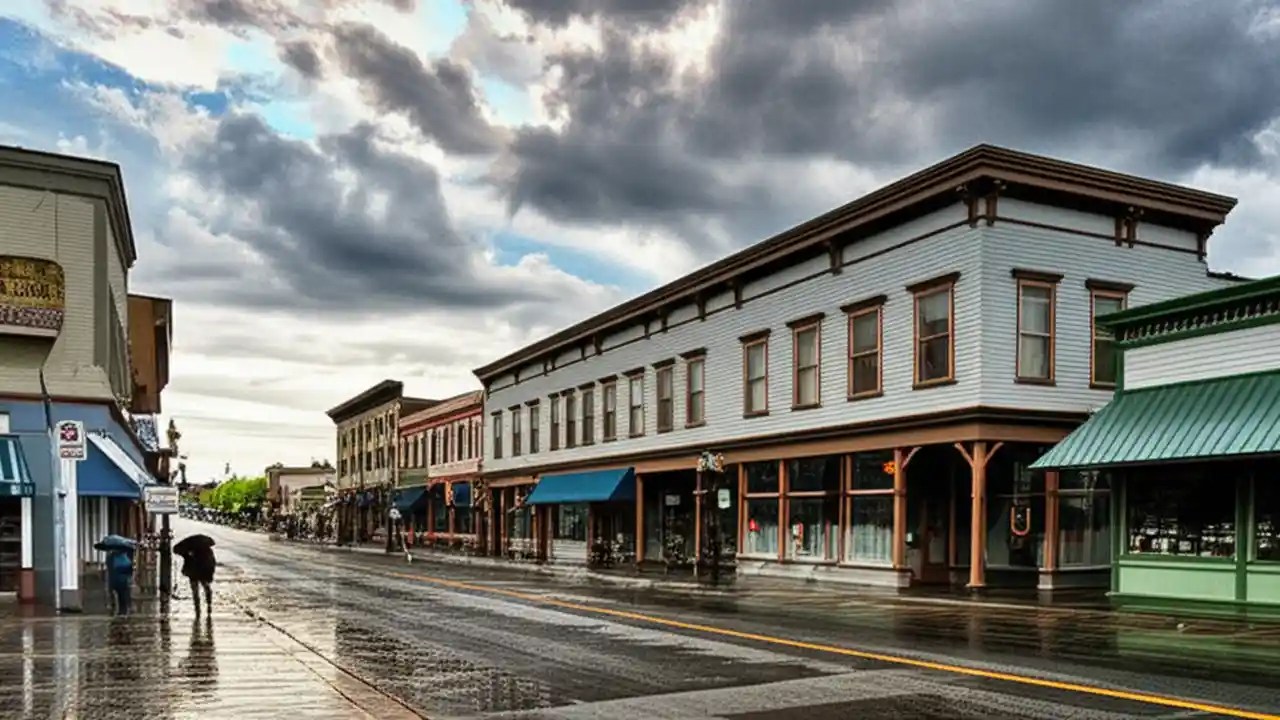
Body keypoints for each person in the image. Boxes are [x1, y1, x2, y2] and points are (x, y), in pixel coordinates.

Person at [105, 546, 134, 616]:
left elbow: (109, 568)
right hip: (123, 580)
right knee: (122, 596)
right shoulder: (125, 558)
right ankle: (123, 610)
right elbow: (130, 569)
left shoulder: (112, 557)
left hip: (115, 580)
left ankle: (117, 609)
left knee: (117, 595)